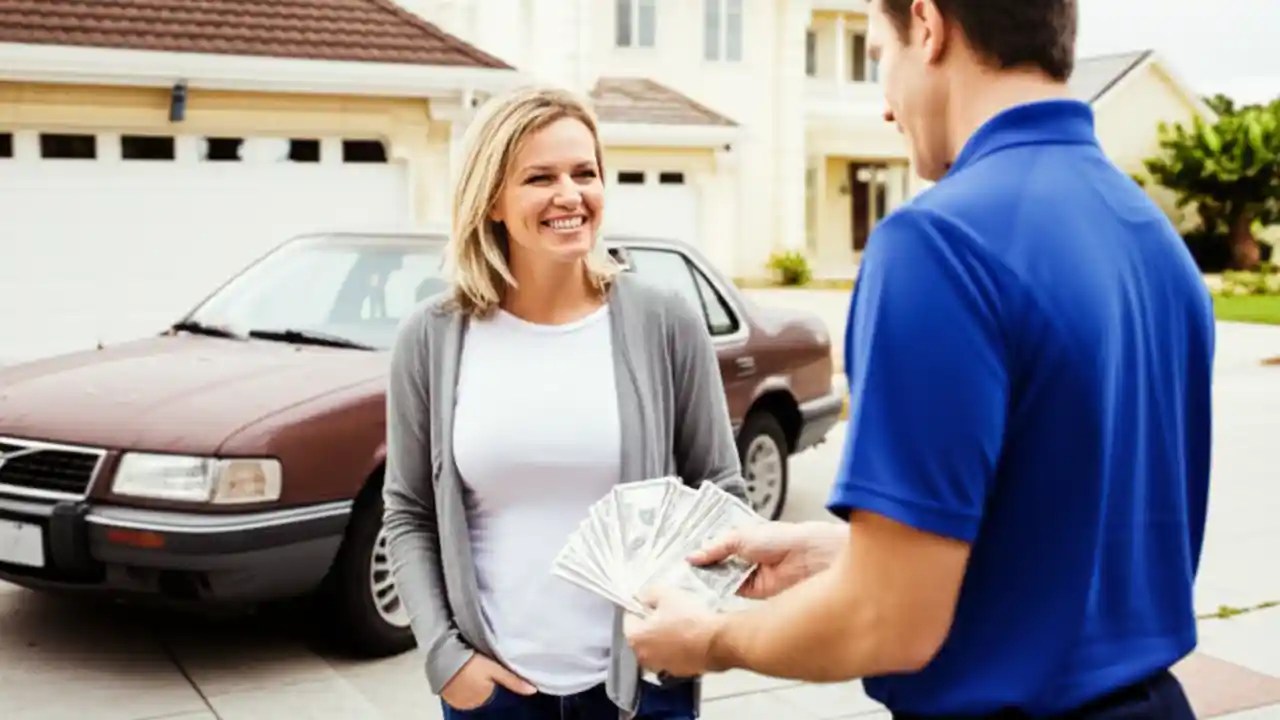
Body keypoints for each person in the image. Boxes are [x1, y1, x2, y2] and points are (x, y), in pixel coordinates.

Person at [624, 1, 1214, 718]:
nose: (885, 108)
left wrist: (712, 639)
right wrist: (846, 553)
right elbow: (1060, 543)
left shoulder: (937, 244)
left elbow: (889, 621)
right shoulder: (1154, 239)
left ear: (928, 27)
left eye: (878, 58)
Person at [381, 85, 746, 720]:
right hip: (493, 691)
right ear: (492, 199)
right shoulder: (433, 338)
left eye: (585, 172)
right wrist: (446, 658)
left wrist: (685, 628)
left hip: (642, 690)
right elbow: (408, 511)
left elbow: (721, 492)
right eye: (539, 177)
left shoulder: (665, 324)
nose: (569, 195)